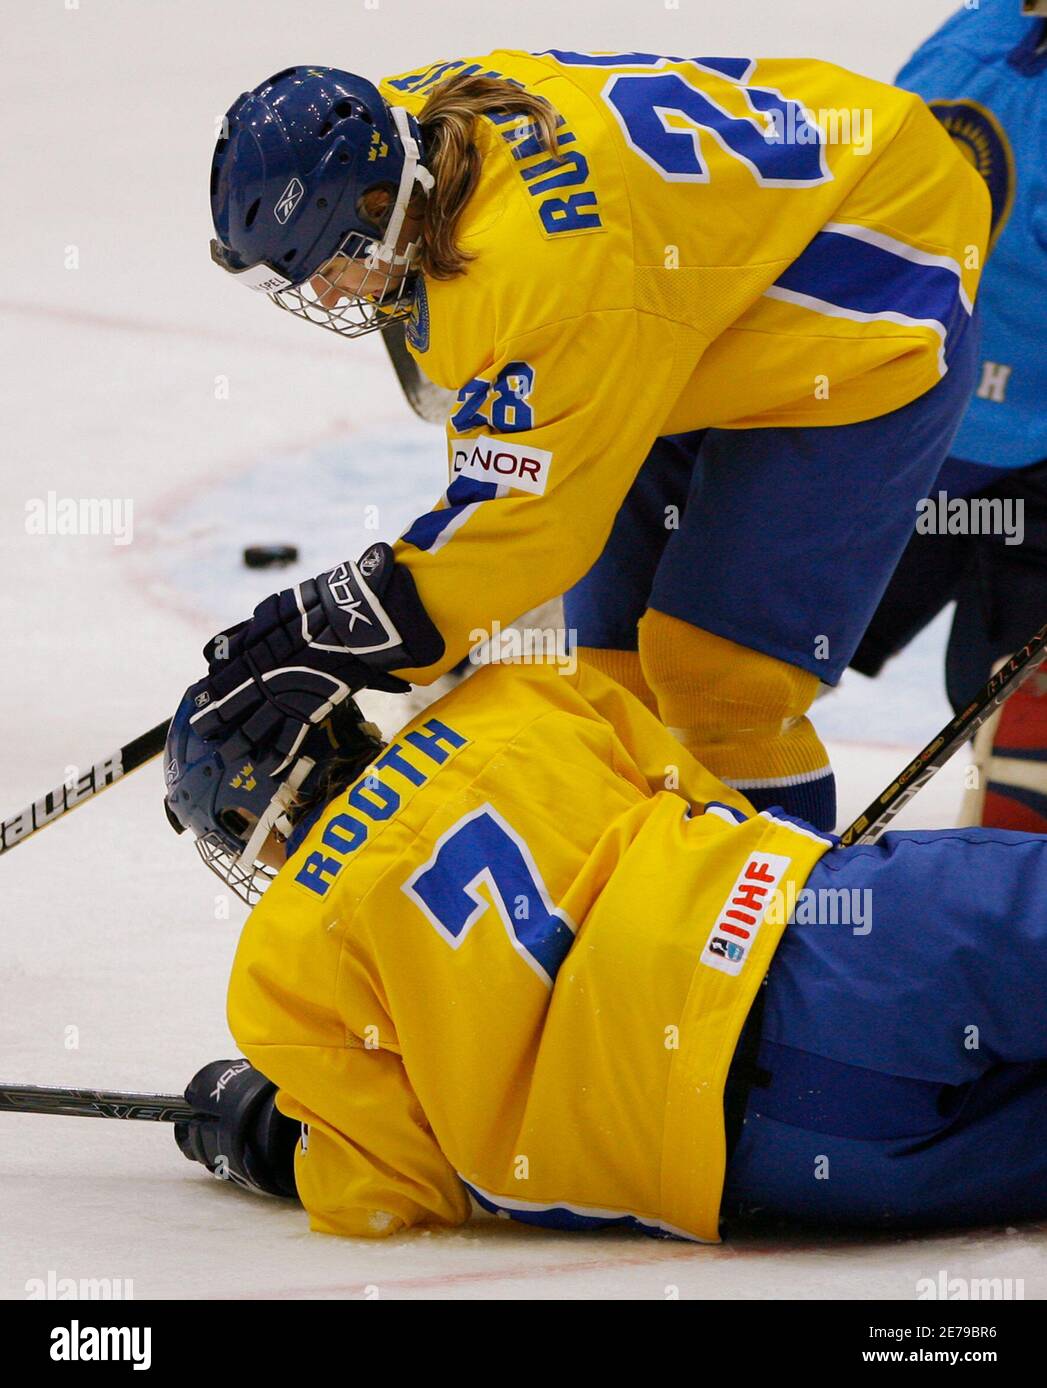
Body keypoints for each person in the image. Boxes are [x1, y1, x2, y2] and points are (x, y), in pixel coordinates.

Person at [194, 49, 990, 837]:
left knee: (721, 688)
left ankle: (780, 942)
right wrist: (429, 591)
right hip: (709, 261)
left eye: (333, 265)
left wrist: (357, 628)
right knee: (608, 664)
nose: (329, 294)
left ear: (378, 202)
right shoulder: (410, 119)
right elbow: (516, 446)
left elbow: (531, 524)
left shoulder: (539, 277)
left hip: (883, 269)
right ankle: (633, 908)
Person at [167, 652, 1047, 1239]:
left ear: (251, 812)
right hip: (832, 943)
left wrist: (275, 1141)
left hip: (764, 1154)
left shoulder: (279, 967)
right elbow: (716, 804)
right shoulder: (509, 699)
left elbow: (394, 1192)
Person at [851, 0, 1047, 831]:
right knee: (1020, 743)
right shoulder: (970, 37)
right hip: (907, 438)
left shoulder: (965, 36)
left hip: (894, 433)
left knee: (1015, 737)